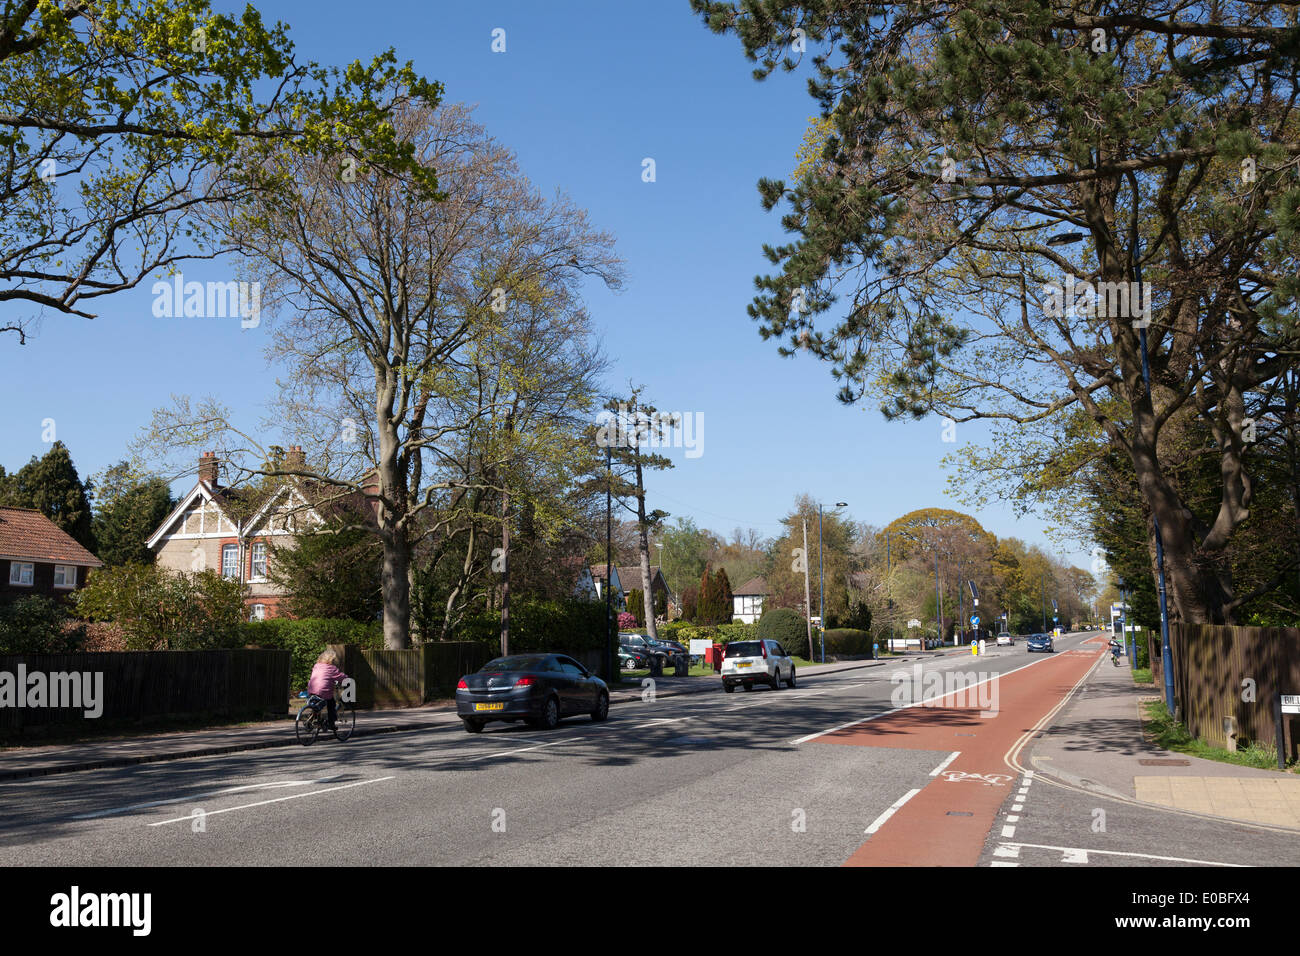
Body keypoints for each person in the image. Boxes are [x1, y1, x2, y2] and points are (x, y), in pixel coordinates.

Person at [308, 649, 349, 728]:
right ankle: (331, 723)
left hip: (312, 689)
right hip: (323, 691)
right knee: (331, 703)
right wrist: (347, 678)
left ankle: (314, 718)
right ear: (331, 660)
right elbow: (340, 677)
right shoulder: (331, 668)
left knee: (316, 704)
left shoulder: (316, 666)